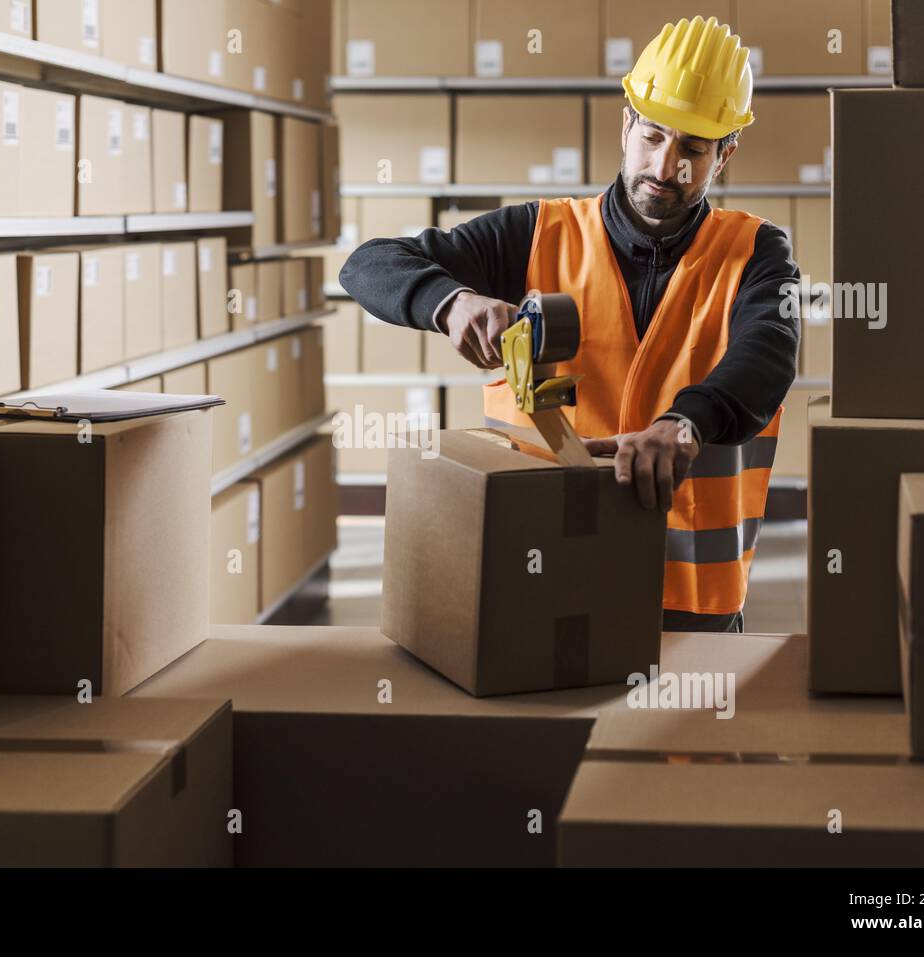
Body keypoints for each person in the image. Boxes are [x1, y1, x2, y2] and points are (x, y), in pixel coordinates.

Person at [339, 16, 800, 634]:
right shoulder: (535, 233)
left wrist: (686, 424)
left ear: (725, 153)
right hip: (538, 576)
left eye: (692, 148)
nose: (665, 167)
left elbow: (769, 350)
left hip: (689, 604)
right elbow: (366, 265)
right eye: (653, 136)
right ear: (627, 123)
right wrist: (450, 303)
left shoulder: (758, 253)